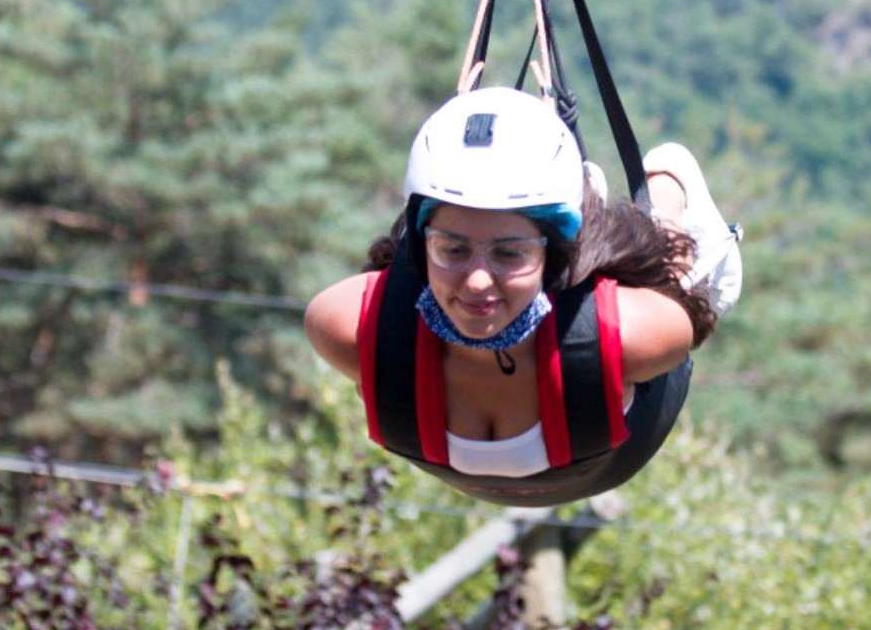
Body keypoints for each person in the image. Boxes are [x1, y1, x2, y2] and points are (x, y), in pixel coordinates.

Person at [304, 86, 742, 505]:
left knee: (669, 259)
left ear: (554, 251)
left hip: (615, 453)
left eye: (509, 253)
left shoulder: (631, 332)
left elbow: (679, 312)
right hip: (572, 456)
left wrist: (671, 258)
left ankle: (669, 187)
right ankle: (563, 213)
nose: (477, 281)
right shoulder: (347, 325)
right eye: (452, 249)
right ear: (419, 246)